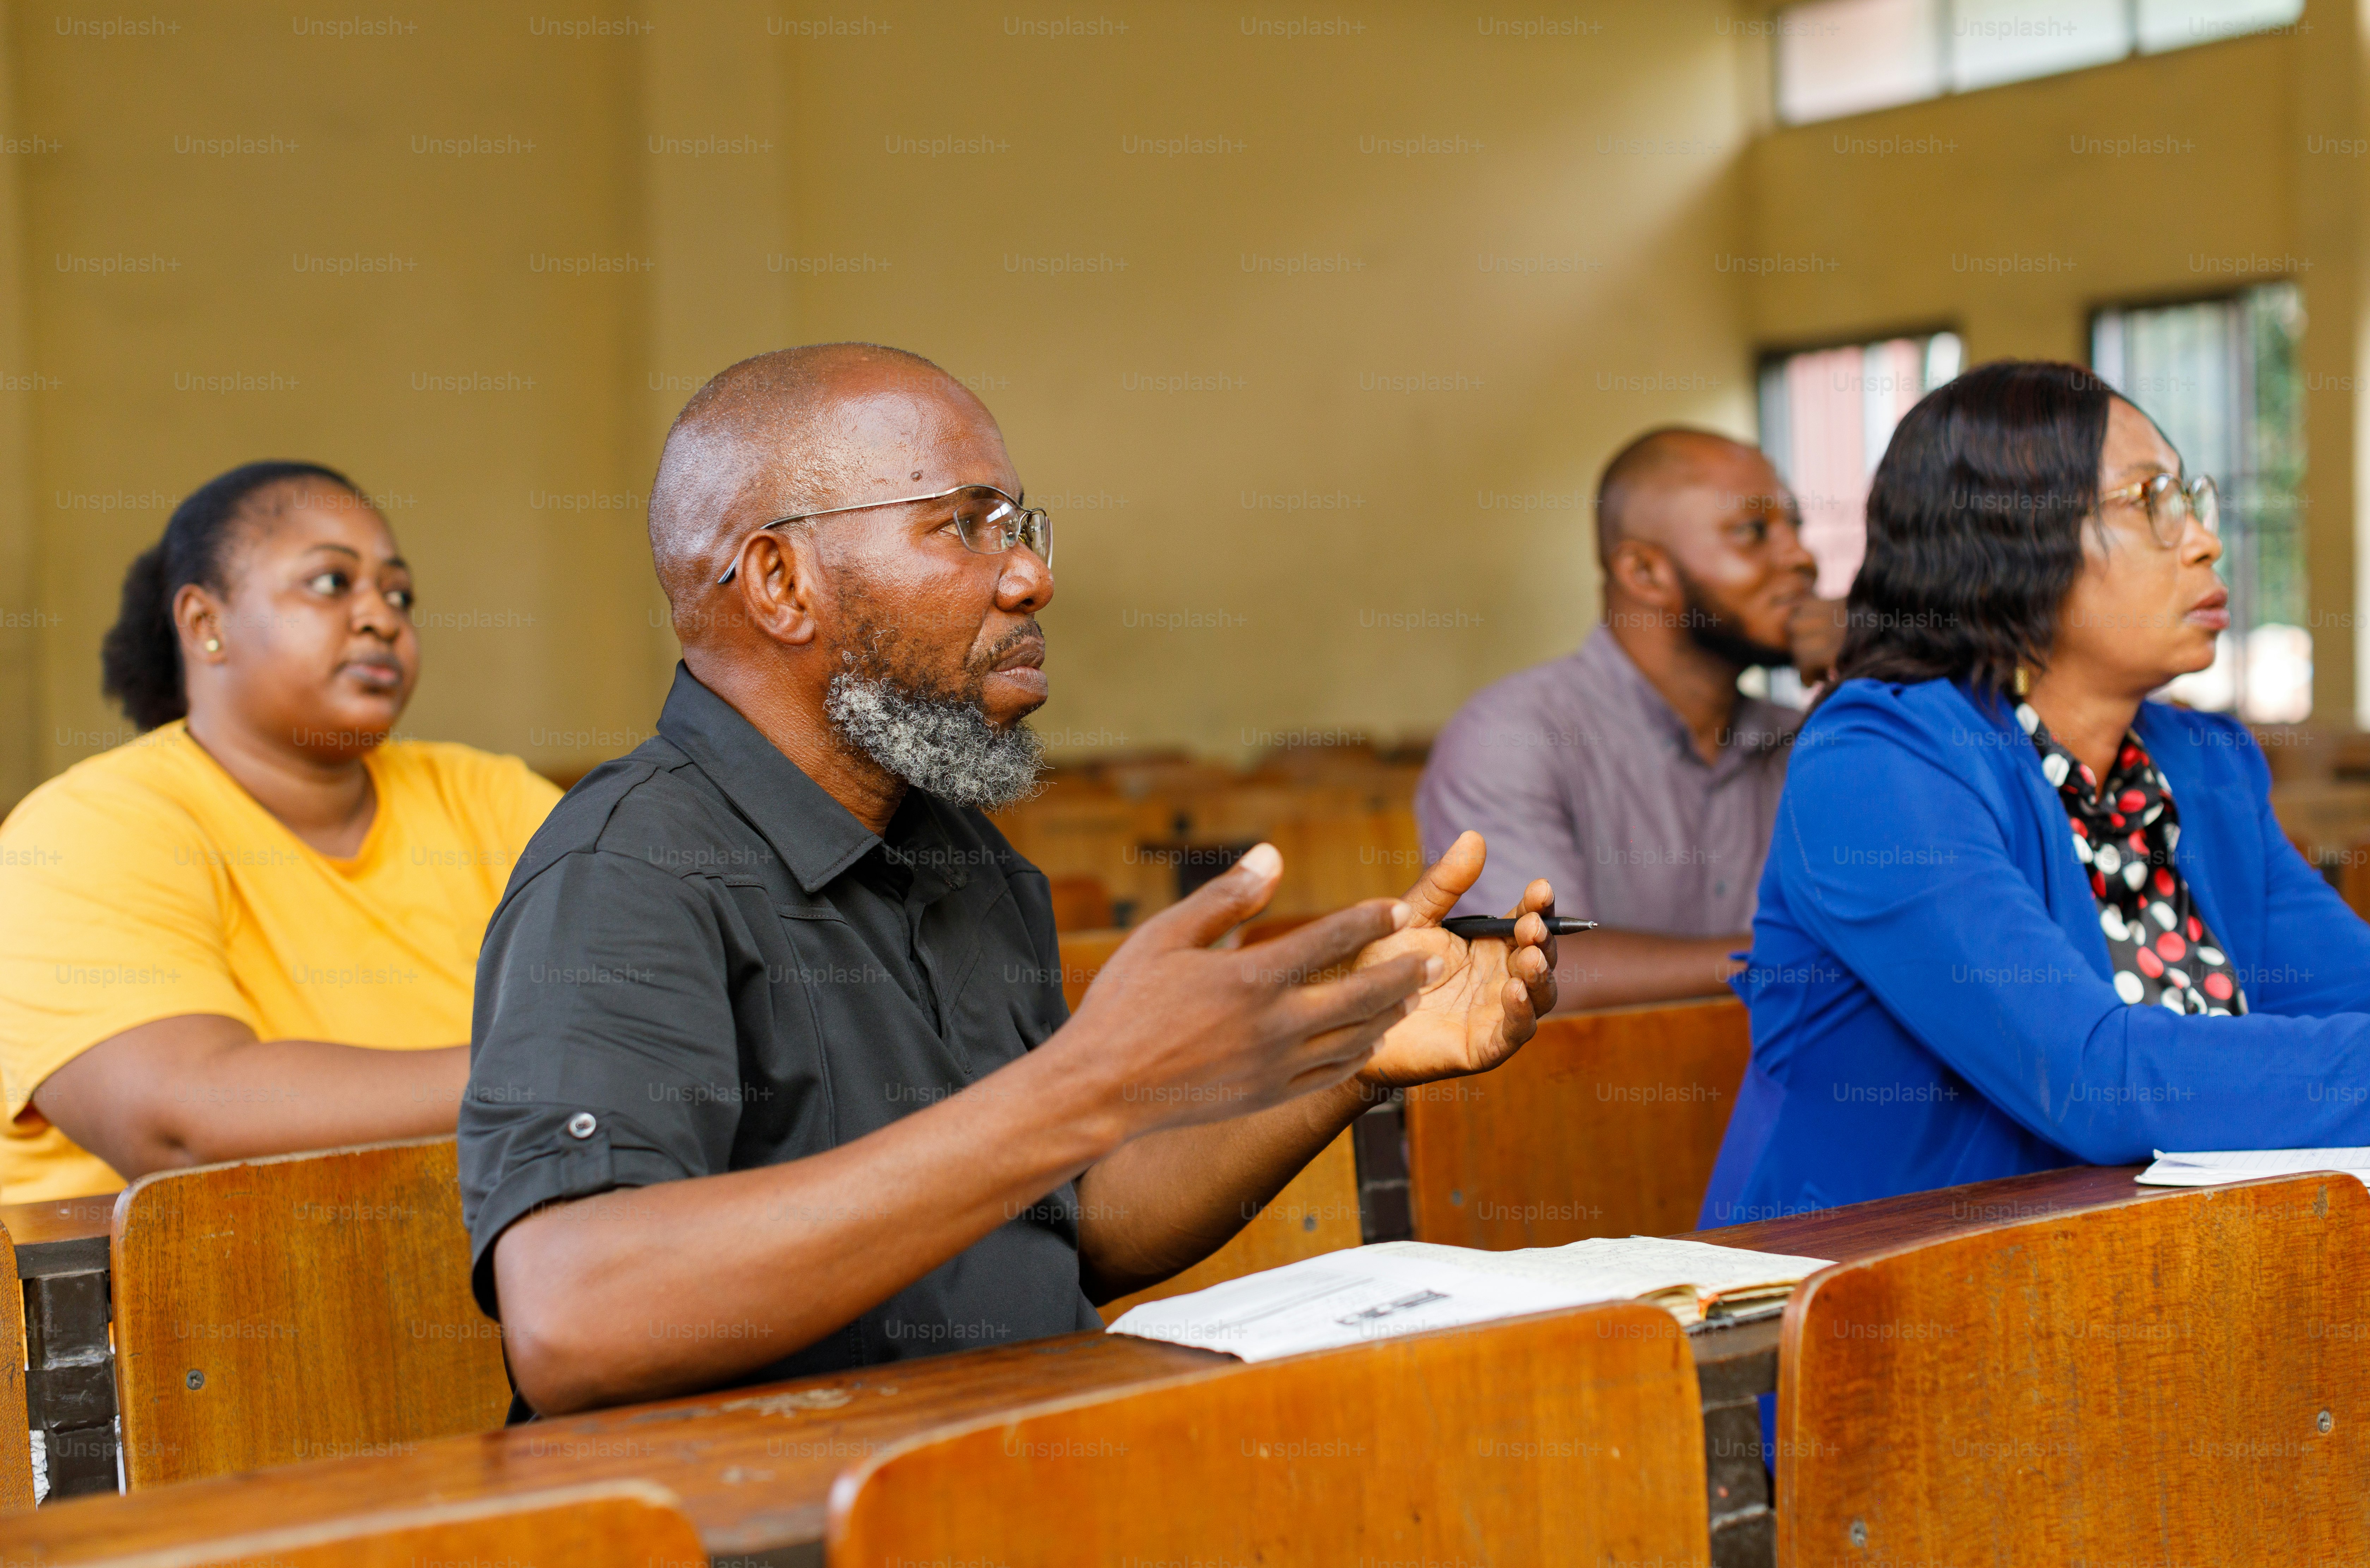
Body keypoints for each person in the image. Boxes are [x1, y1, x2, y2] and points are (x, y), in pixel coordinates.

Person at [459, 344, 1561, 1416]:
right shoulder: (628, 869)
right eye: (966, 525)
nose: (1033, 576)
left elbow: (1077, 1228)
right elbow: (577, 1318)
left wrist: (1344, 1054)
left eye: (1022, 528)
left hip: (1012, 1472)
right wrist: (1083, 1088)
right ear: (783, 582)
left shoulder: (963, 854)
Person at [1703, 359, 2370, 1226]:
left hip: (2148, 1278)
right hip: (1874, 1304)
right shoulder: (1877, 765)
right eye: (2148, 499)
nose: (2203, 538)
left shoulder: (2206, 763)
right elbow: (2090, 1076)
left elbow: (2343, 989)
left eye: (2189, 496)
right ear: (2008, 539)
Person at [0, 463, 560, 1201]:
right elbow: (182, 1121)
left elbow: (675, 991)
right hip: (161, 1304)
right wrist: (566, 1070)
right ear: (207, 624)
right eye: (332, 583)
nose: (381, 617)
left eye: (400, 594)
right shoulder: (90, 829)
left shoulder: (487, 797)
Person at [1416, 427, 1822, 1009]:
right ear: (1643, 572)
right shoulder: (1509, 736)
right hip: (1577, 1096)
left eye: (1797, 526)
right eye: (1754, 532)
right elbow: (1549, 972)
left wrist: (1879, 674)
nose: (1802, 557)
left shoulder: (1808, 739)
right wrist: (1808, 959)